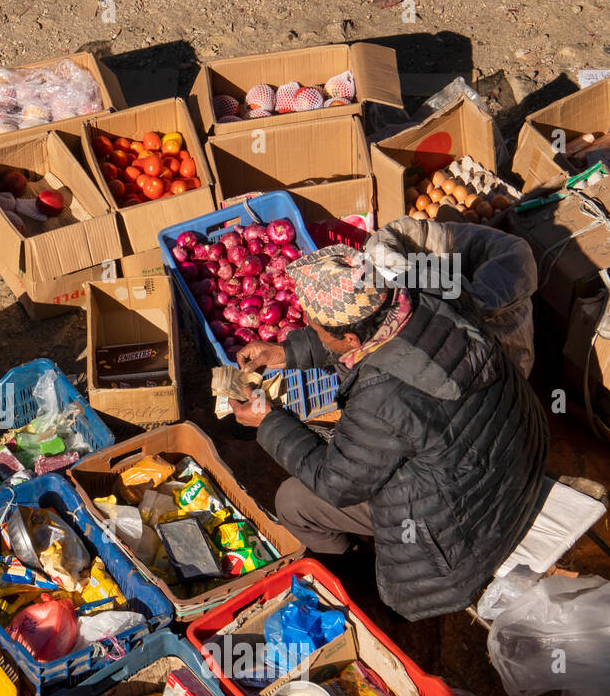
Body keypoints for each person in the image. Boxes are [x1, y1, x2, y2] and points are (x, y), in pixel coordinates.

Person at [231, 234, 549, 621]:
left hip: (466, 532)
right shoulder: (424, 294)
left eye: (316, 327)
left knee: (294, 502)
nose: (312, 330)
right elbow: (366, 334)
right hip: (518, 457)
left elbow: (337, 483)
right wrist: (285, 353)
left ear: (348, 336)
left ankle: (357, 577)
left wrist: (267, 419)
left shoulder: (382, 398)